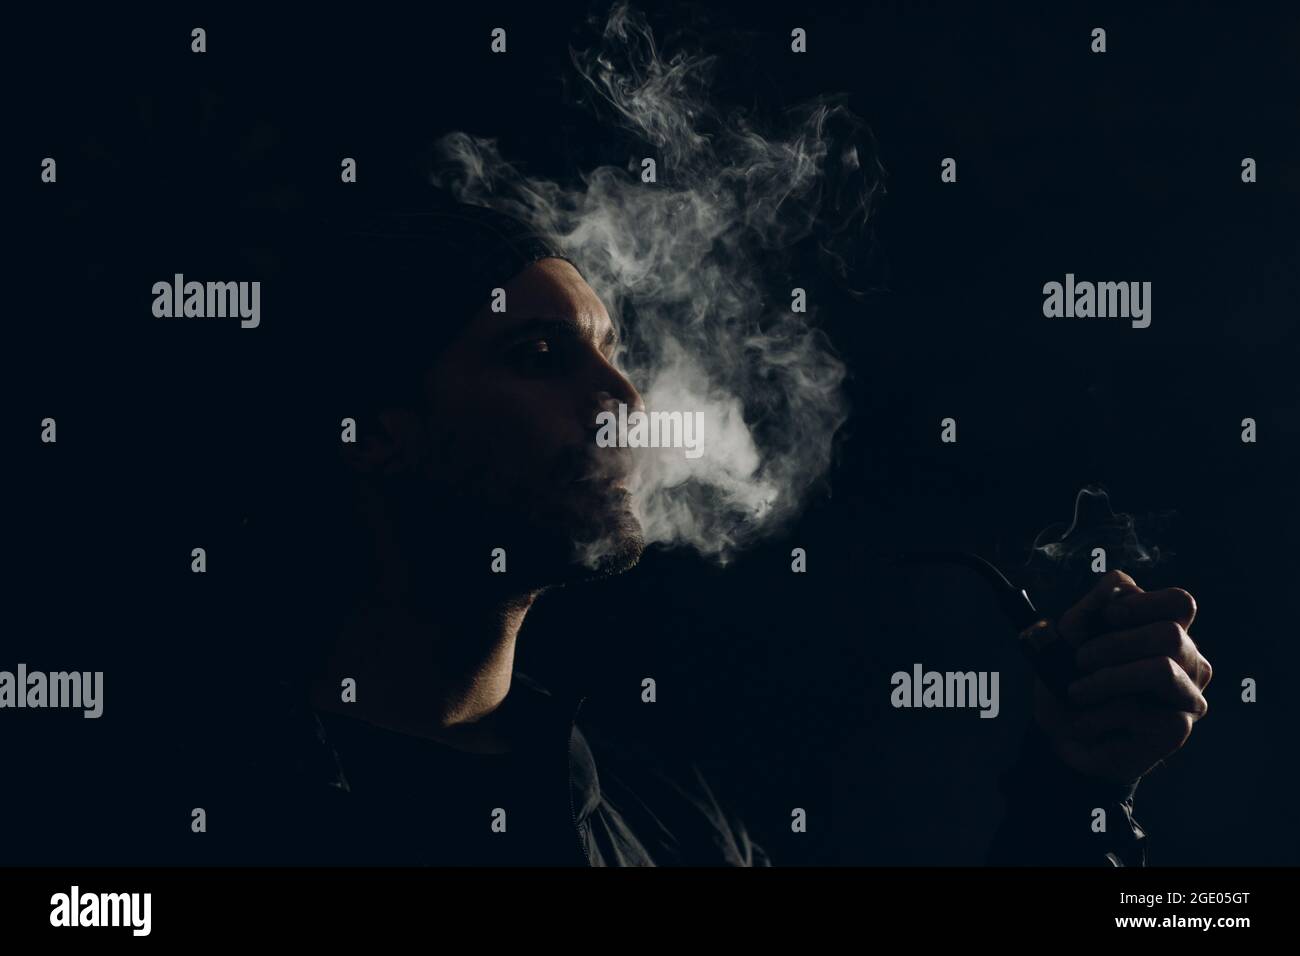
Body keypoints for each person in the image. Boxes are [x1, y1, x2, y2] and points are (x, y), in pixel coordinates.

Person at [201, 200, 1211, 867]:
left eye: (614, 352)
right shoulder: (202, 790)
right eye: (542, 353)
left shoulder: (678, 827)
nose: (623, 395)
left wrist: (1076, 788)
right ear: (377, 431)